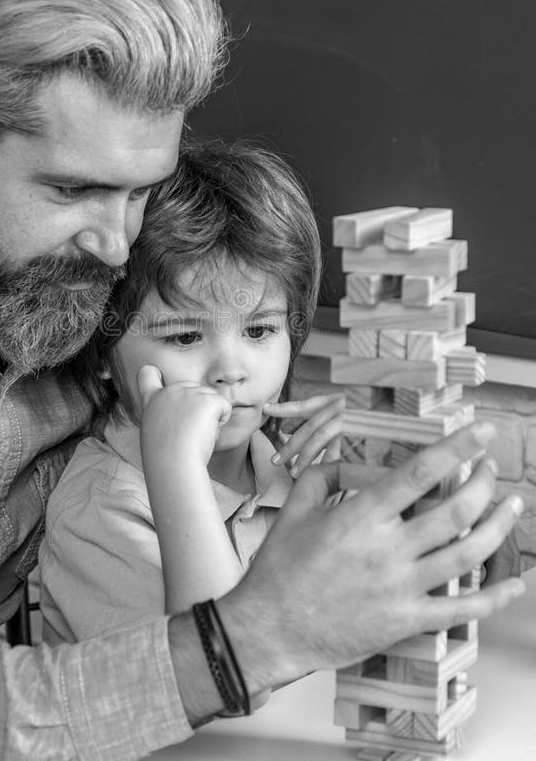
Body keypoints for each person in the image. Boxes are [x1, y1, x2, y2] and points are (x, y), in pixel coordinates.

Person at [0, 0, 525, 761]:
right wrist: (253, 637)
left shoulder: (60, 259)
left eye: (139, 192)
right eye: (74, 189)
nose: (119, 248)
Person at [39, 139, 344, 647]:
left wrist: (390, 468)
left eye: (259, 331)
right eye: (184, 337)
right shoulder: (101, 512)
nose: (230, 370)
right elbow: (216, 678)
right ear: (103, 349)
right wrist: (175, 466)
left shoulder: (295, 468)